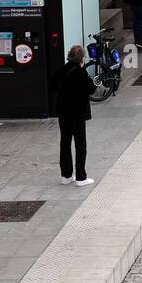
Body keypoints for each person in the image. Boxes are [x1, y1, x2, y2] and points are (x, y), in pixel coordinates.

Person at [51, 45, 96, 187]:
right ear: (81, 58)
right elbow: (91, 89)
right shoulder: (81, 73)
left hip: (63, 112)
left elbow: (52, 85)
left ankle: (66, 176)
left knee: (65, 143)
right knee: (80, 145)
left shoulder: (61, 70)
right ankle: (81, 178)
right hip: (77, 113)